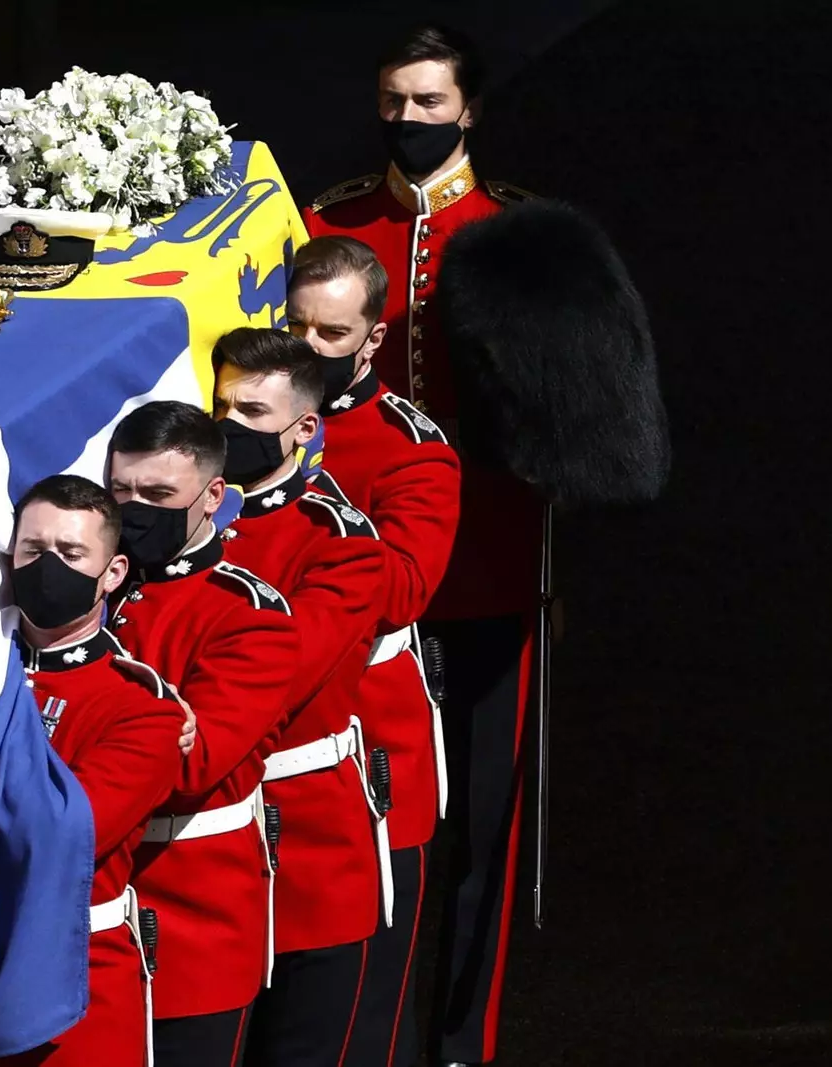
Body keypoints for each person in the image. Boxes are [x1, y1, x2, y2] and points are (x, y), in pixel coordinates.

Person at [303, 25, 543, 1065]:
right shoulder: (330, 220)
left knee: (480, 829)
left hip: (485, 562)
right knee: (363, 816)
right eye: (394, 102)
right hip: (354, 565)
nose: (408, 122)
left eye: (429, 103)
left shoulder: (518, 235)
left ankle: (459, 1038)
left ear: (469, 110)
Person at [0, 475, 188, 1067]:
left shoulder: (142, 708)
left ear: (111, 574)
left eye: (72, 553)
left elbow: (53, 837)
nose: (47, 566)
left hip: (71, 972)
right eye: (32, 551)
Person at [285, 236, 463, 1067]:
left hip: (368, 753)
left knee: (358, 1023)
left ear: (372, 338)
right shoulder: (247, 418)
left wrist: (296, 493)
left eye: (331, 335)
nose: (310, 349)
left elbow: (400, 591)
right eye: (297, 329)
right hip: (272, 742)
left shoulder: (412, 448)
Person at [205, 328, 391, 1067]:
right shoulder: (193, 522)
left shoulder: (339, 540)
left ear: (304, 428)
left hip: (307, 830)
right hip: (216, 850)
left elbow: (277, 675)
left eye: (253, 411)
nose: (230, 427)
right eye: (222, 408)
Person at [104, 401, 301, 1067]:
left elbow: (193, 765)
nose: (135, 511)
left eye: (158, 495)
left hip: (187, 909)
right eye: (120, 492)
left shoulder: (250, 616)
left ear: (213, 496)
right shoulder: (91, 586)